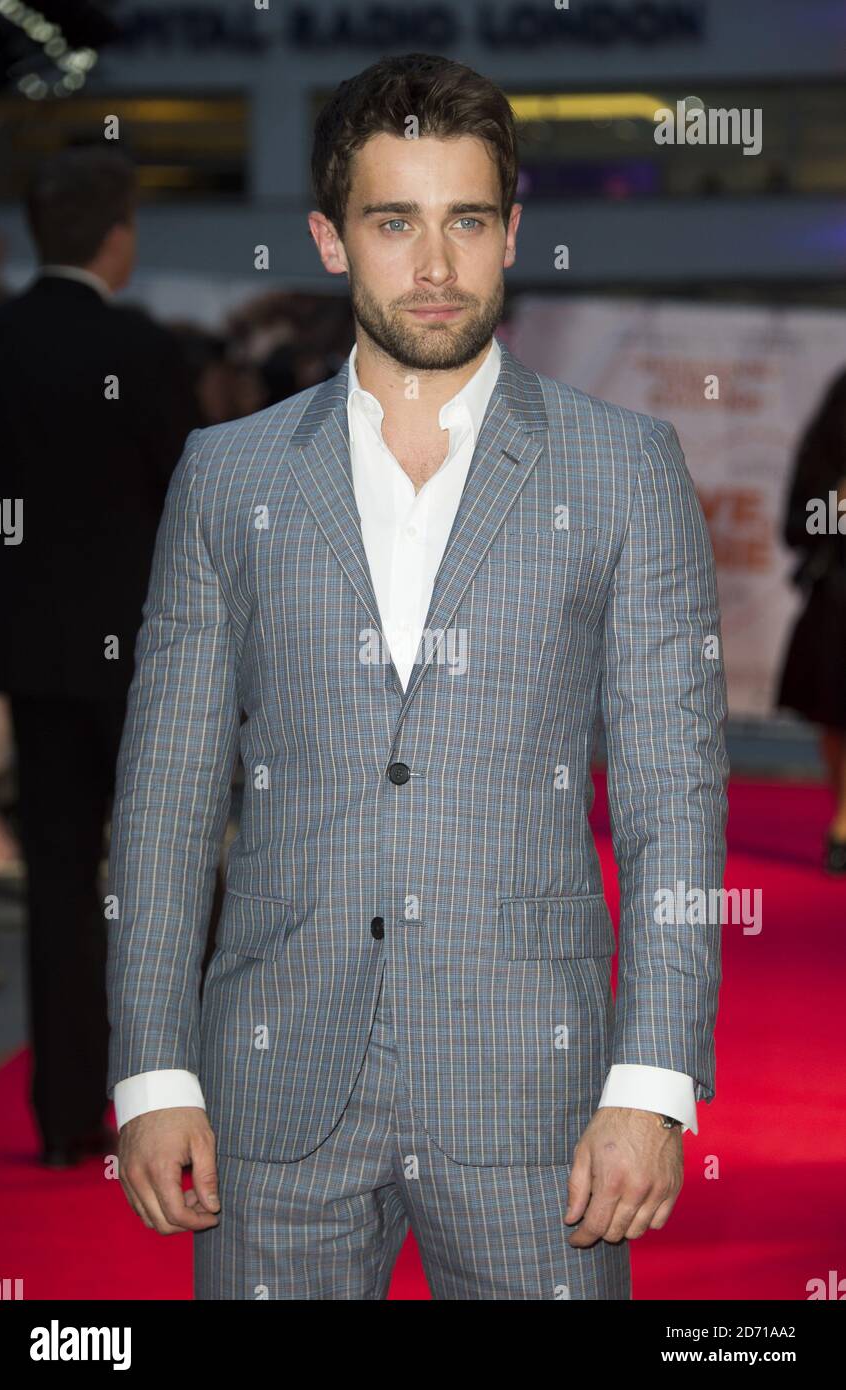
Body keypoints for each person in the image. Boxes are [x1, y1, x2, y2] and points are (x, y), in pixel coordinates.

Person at [107, 54, 729, 1300]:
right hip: (268, 1091)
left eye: (466, 222)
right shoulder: (226, 478)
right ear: (330, 240)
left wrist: (652, 1081)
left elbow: (675, 796)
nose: (434, 266)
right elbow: (167, 795)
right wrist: (154, 1068)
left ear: (512, 235)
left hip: (535, 1105)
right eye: (394, 222)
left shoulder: (623, 467)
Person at [0, 146, 200, 1167]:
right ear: (116, 238)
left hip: (28, 641)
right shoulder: (143, 350)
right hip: (139, 650)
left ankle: (67, 1116)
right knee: (165, 871)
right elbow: (185, 502)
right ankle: (182, 1092)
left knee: (60, 876)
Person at [775, 371, 846, 874]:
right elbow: (800, 522)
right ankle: (845, 818)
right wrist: (838, 507)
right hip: (840, 590)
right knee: (836, 710)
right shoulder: (839, 404)